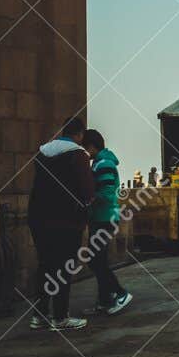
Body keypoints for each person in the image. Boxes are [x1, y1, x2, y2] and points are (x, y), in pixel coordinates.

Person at [26, 117, 94, 331]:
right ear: (80, 134)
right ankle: (60, 317)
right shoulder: (78, 155)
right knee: (64, 267)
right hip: (66, 220)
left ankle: (39, 315)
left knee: (45, 265)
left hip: (39, 217)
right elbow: (87, 190)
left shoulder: (42, 153)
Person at [82, 129, 132, 315]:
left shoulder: (103, 163)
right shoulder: (100, 162)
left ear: (92, 146)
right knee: (98, 260)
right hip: (102, 217)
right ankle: (105, 300)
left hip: (104, 217)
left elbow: (106, 192)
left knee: (96, 261)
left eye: (84, 148)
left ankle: (120, 293)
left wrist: (88, 200)